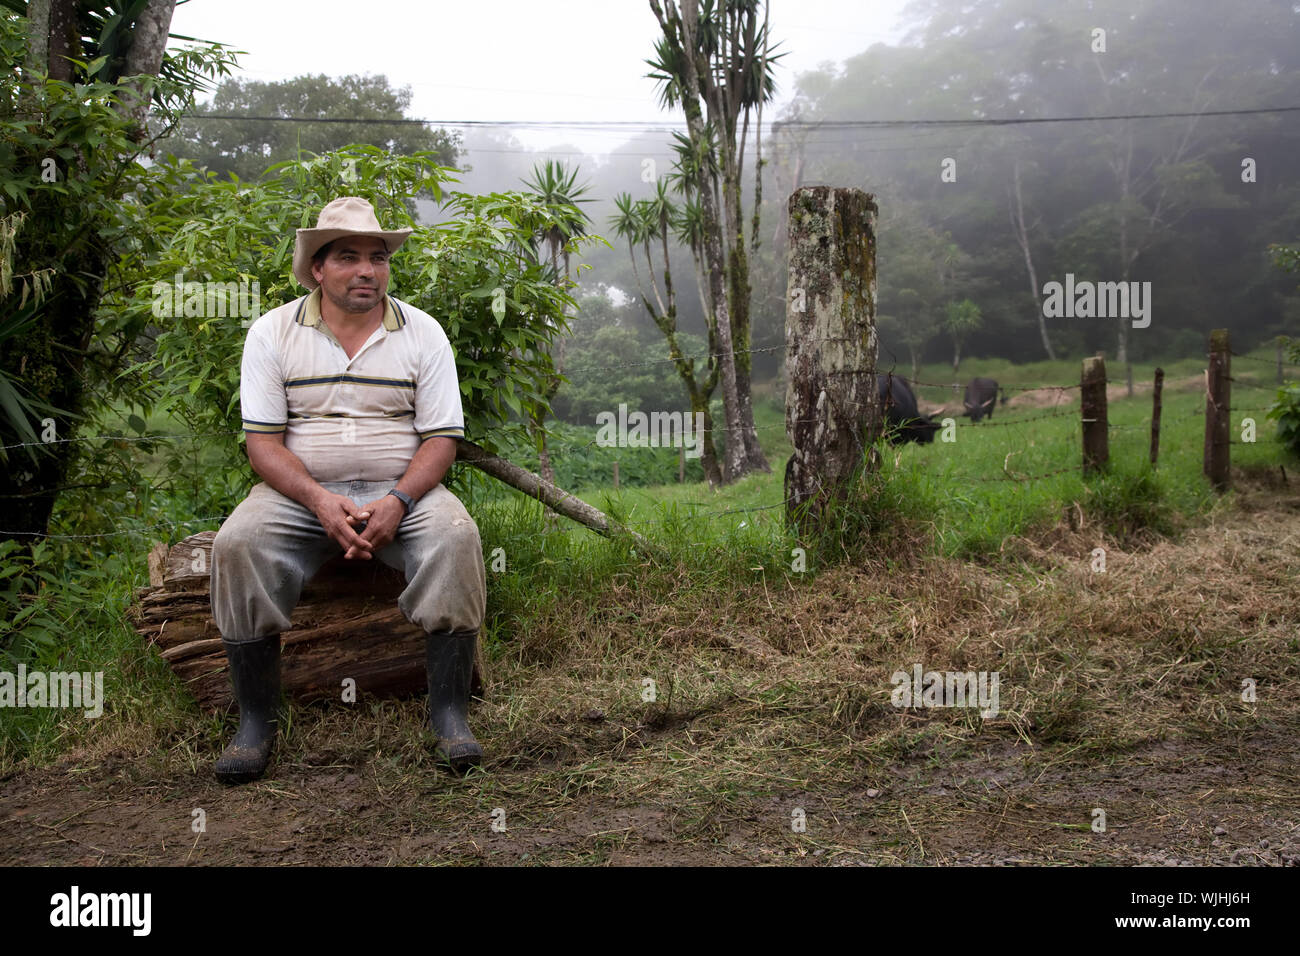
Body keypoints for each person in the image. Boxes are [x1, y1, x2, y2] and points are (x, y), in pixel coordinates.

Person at [209, 196, 487, 783]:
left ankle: (450, 715)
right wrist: (319, 501)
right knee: (237, 544)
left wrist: (399, 501)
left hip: (401, 491)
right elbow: (263, 444)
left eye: (377, 257)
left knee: (456, 535)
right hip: (300, 496)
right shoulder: (273, 332)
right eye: (349, 257)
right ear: (317, 268)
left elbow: (441, 440)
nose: (367, 270)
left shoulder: (424, 332)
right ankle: (256, 722)